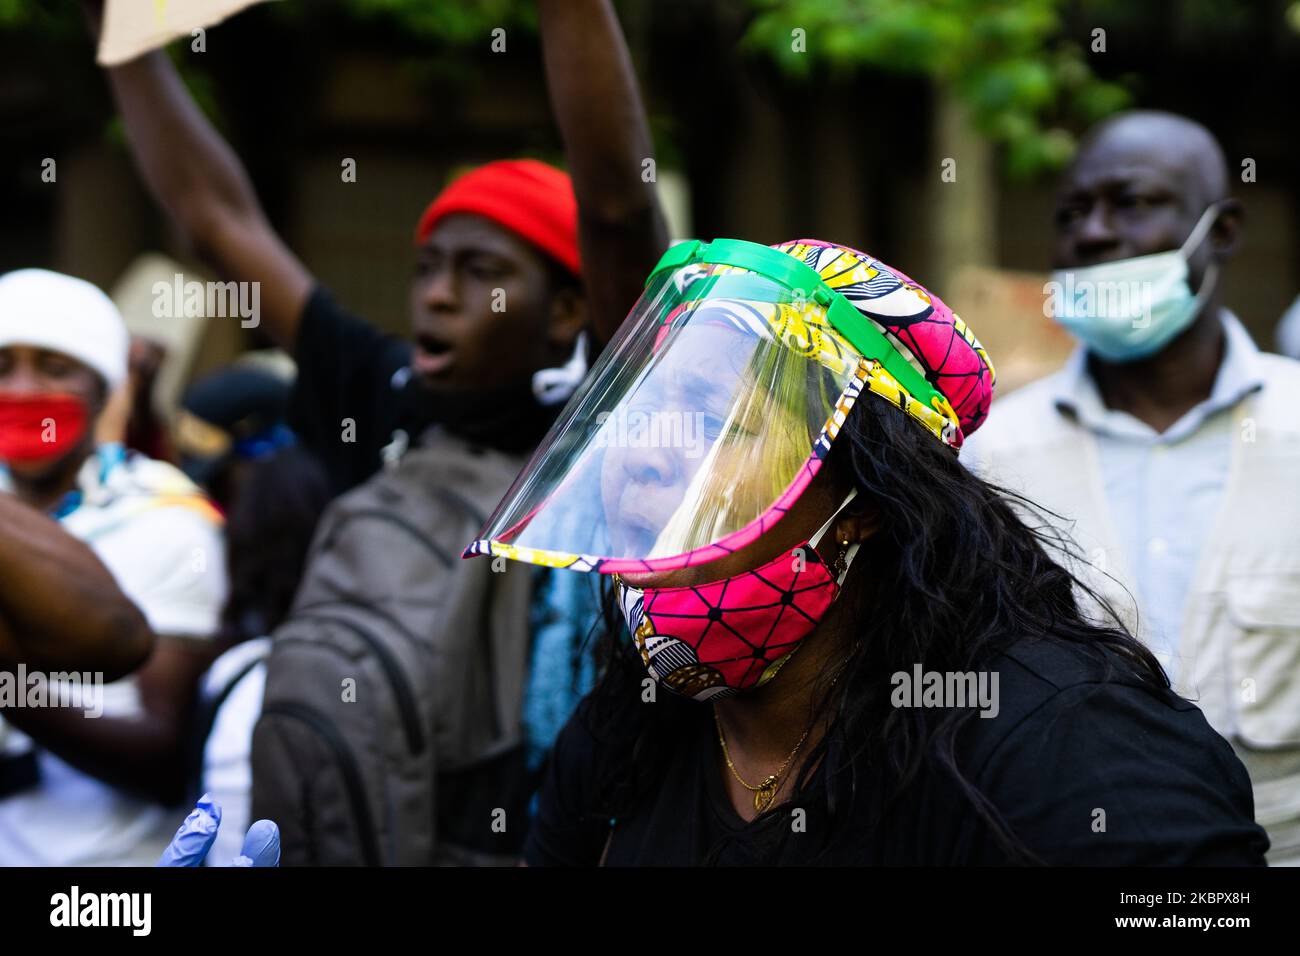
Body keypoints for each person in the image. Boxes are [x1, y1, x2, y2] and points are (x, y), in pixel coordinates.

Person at [469, 236, 1269, 865]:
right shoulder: (632, 722)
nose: (644, 456)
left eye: (715, 425)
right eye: (646, 417)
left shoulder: (1066, 749)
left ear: (865, 504)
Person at [93, 0, 667, 862]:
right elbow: (219, 220)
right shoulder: (386, 390)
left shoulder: (601, 419)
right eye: (427, 267)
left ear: (572, 312)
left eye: (482, 273)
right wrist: (126, 36)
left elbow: (621, 210)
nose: (436, 294)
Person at [960, 111, 1300, 865]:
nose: (1093, 233)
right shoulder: (991, 458)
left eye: (1133, 202)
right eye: (1072, 214)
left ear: (1222, 230)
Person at [0, 268, 228, 866]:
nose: (23, 390)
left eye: (55, 368)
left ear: (104, 389)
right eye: (2, 367)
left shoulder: (170, 520)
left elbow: (162, 755)